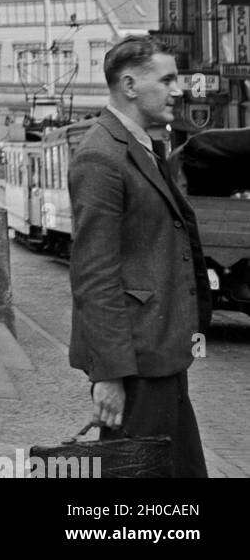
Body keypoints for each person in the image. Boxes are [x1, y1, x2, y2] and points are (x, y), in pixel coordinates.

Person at [68, 36, 212, 477]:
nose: (178, 90)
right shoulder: (100, 156)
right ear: (129, 85)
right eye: (166, 79)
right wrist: (108, 375)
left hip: (161, 352)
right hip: (136, 363)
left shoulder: (142, 148)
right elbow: (95, 274)